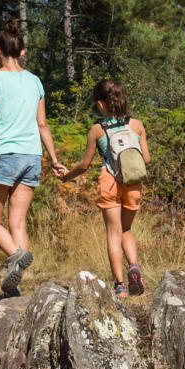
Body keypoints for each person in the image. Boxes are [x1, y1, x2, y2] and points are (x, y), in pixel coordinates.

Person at [0, 18, 66, 297]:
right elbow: (42, 124)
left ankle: (15, 255)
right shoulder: (35, 81)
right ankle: (14, 287)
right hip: (32, 156)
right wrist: (54, 159)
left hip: (3, 156)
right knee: (17, 222)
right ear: (21, 52)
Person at [56, 79, 150, 297]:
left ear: (101, 104)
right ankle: (134, 266)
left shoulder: (97, 130)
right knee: (126, 230)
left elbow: (84, 165)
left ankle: (120, 286)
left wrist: (66, 176)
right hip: (134, 181)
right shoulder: (137, 125)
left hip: (110, 180)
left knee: (112, 234)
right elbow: (146, 158)